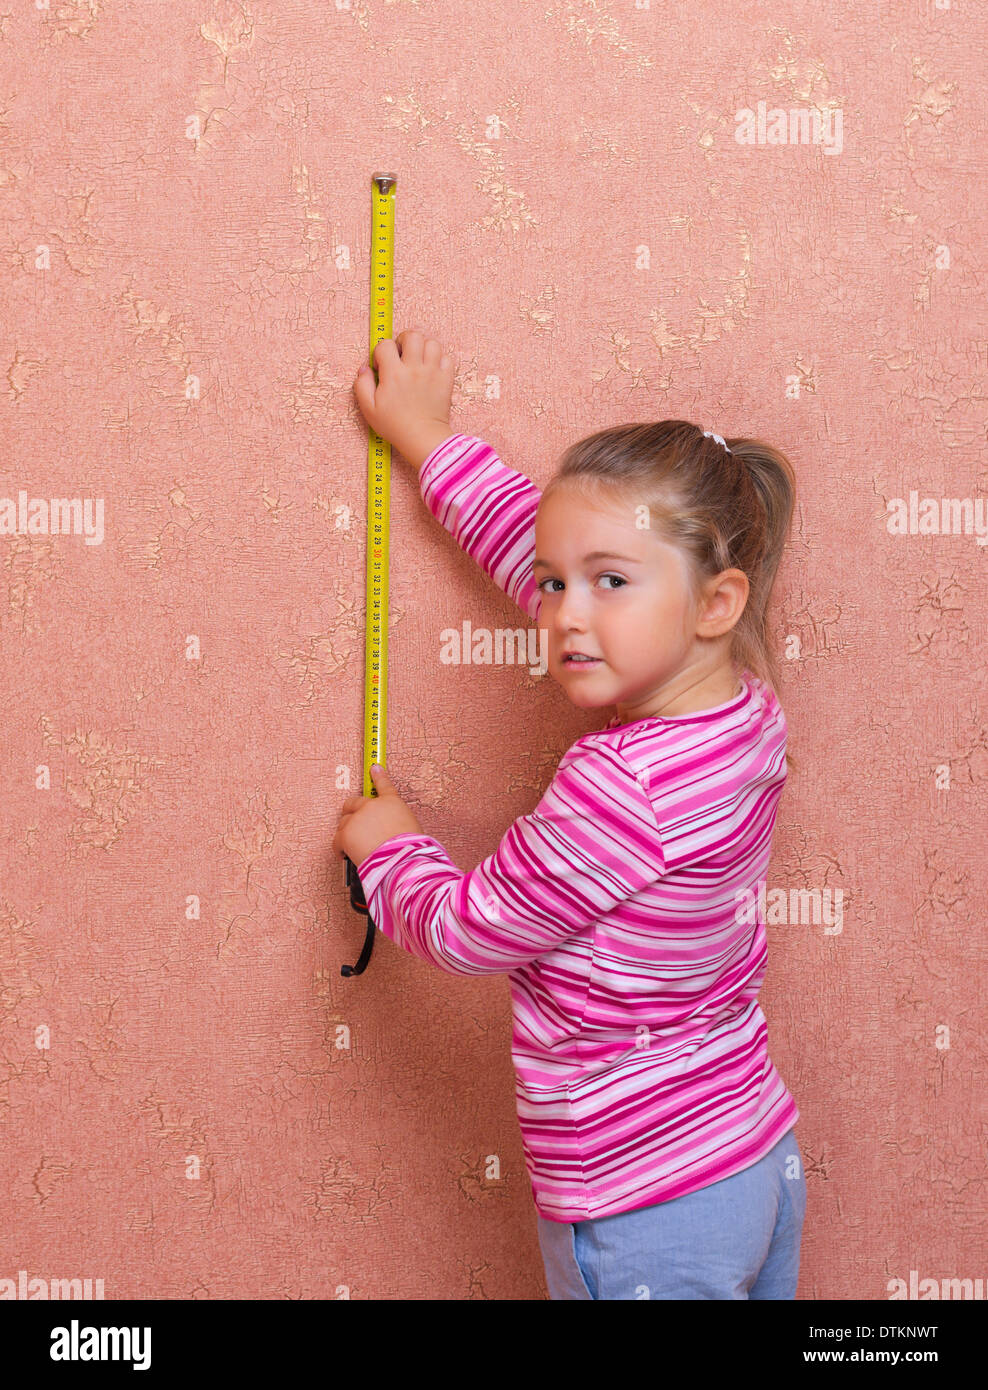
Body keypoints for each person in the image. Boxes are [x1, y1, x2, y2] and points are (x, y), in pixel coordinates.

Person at [333, 327, 806, 1300]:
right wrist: (432, 445)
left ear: (715, 601)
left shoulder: (617, 788)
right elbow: (543, 550)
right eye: (557, 584)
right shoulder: (746, 713)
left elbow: (472, 929)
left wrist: (389, 855)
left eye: (609, 582)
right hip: (750, 1155)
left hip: (643, 1202)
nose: (563, 616)